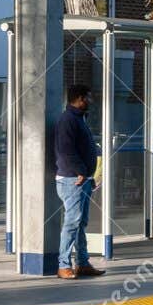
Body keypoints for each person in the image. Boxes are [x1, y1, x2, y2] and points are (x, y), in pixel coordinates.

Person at [54, 83, 104, 280]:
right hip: (72, 179)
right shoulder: (68, 120)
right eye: (88, 97)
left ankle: (82, 263)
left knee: (80, 223)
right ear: (80, 98)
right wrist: (81, 172)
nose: (90, 101)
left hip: (82, 179)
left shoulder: (78, 119)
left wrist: (88, 176)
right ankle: (63, 265)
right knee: (72, 222)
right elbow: (66, 150)